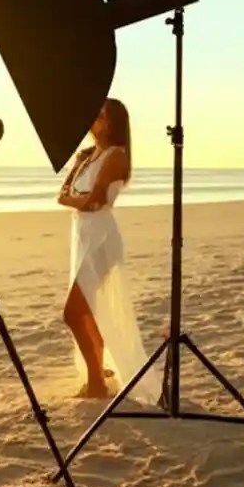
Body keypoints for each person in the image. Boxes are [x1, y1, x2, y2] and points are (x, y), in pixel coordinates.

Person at [56, 98, 162, 403]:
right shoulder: (88, 156)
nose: (95, 121)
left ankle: (97, 383)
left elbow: (93, 201)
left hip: (100, 236)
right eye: (95, 115)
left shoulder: (116, 156)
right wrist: (76, 185)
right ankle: (96, 377)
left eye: (101, 117)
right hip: (82, 233)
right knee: (90, 309)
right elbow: (64, 194)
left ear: (114, 123)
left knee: (73, 313)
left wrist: (73, 199)